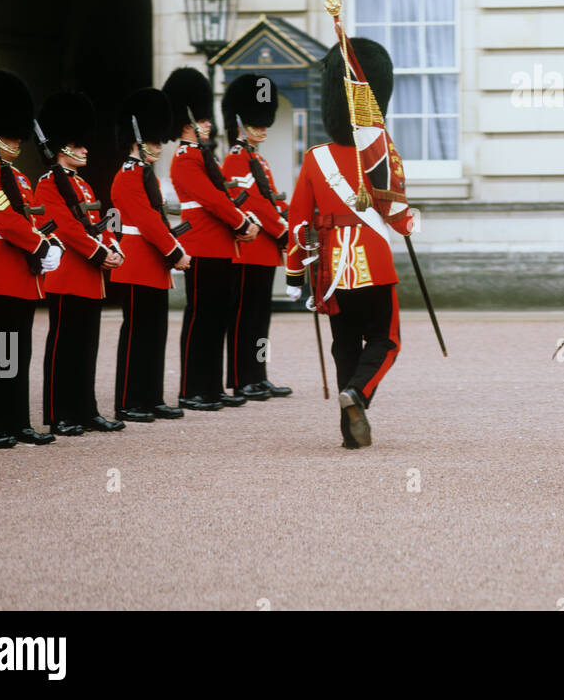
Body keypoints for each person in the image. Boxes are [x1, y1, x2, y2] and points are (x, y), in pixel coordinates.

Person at [284, 41, 412, 449]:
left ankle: (350, 433)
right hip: (372, 261)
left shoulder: (314, 158)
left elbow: (298, 220)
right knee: (386, 341)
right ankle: (358, 393)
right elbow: (398, 213)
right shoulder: (381, 152)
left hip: (330, 268)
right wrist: (409, 225)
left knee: (344, 346)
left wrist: (293, 273)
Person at [0, 70, 61, 447]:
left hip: (21, 273)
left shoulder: (16, 176)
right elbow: (3, 218)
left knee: (19, 351)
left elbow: (31, 216)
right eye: (9, 135)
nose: (16, 141)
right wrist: (40, 244)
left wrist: (52, 240)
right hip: (0, 272)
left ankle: (17, 421)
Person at [163, 67, 258, 411]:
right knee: (201, 318)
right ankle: (191, 388)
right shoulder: (185, 158)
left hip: (220, 247)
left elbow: (223, 195)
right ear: (187, 123)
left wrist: (240, 222)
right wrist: (241, 223)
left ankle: (212, 387)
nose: (208, 125)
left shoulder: (205, 157)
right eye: (201, 121)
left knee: (217, 318)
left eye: (207, 120)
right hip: (202, 246)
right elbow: (212, 200)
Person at [35, 91, 125, 437]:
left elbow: (98, 224)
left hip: (89, 277)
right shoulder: (47, 185)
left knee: (87, 347)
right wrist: (101, 254)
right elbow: (65, 228)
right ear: (62, 148)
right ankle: (60, 413)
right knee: (64, 348)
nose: (87, 150)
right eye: (79, 144)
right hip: (67, 276)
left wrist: (113, 247)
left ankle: (86, 410)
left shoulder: (83, 186)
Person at [109, 88, 190, 423]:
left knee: (155, 334)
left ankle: (151, 396)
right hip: (137, 265)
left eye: (160, 141)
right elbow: (145, 221)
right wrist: (175, 253)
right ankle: (128, 400)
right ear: (137, 139)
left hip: (152, 265)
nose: (159, 147)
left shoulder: (145, 174)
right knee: (137, 335)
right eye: (154, 141)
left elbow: (156, 219)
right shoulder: (128, 175)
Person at [220, 74, 291, 402]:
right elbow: (252, 203)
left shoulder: (257, 158)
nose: (263, 129)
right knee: (244, 318)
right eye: (256, 123)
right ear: (239, 123)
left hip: (265, 252)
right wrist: (282, 229)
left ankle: (259, 375)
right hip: (248, 251)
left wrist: (293, 217)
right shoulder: (235, 158)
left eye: (263, 123)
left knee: (261, 317)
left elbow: (272, 199)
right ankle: (240, 378)